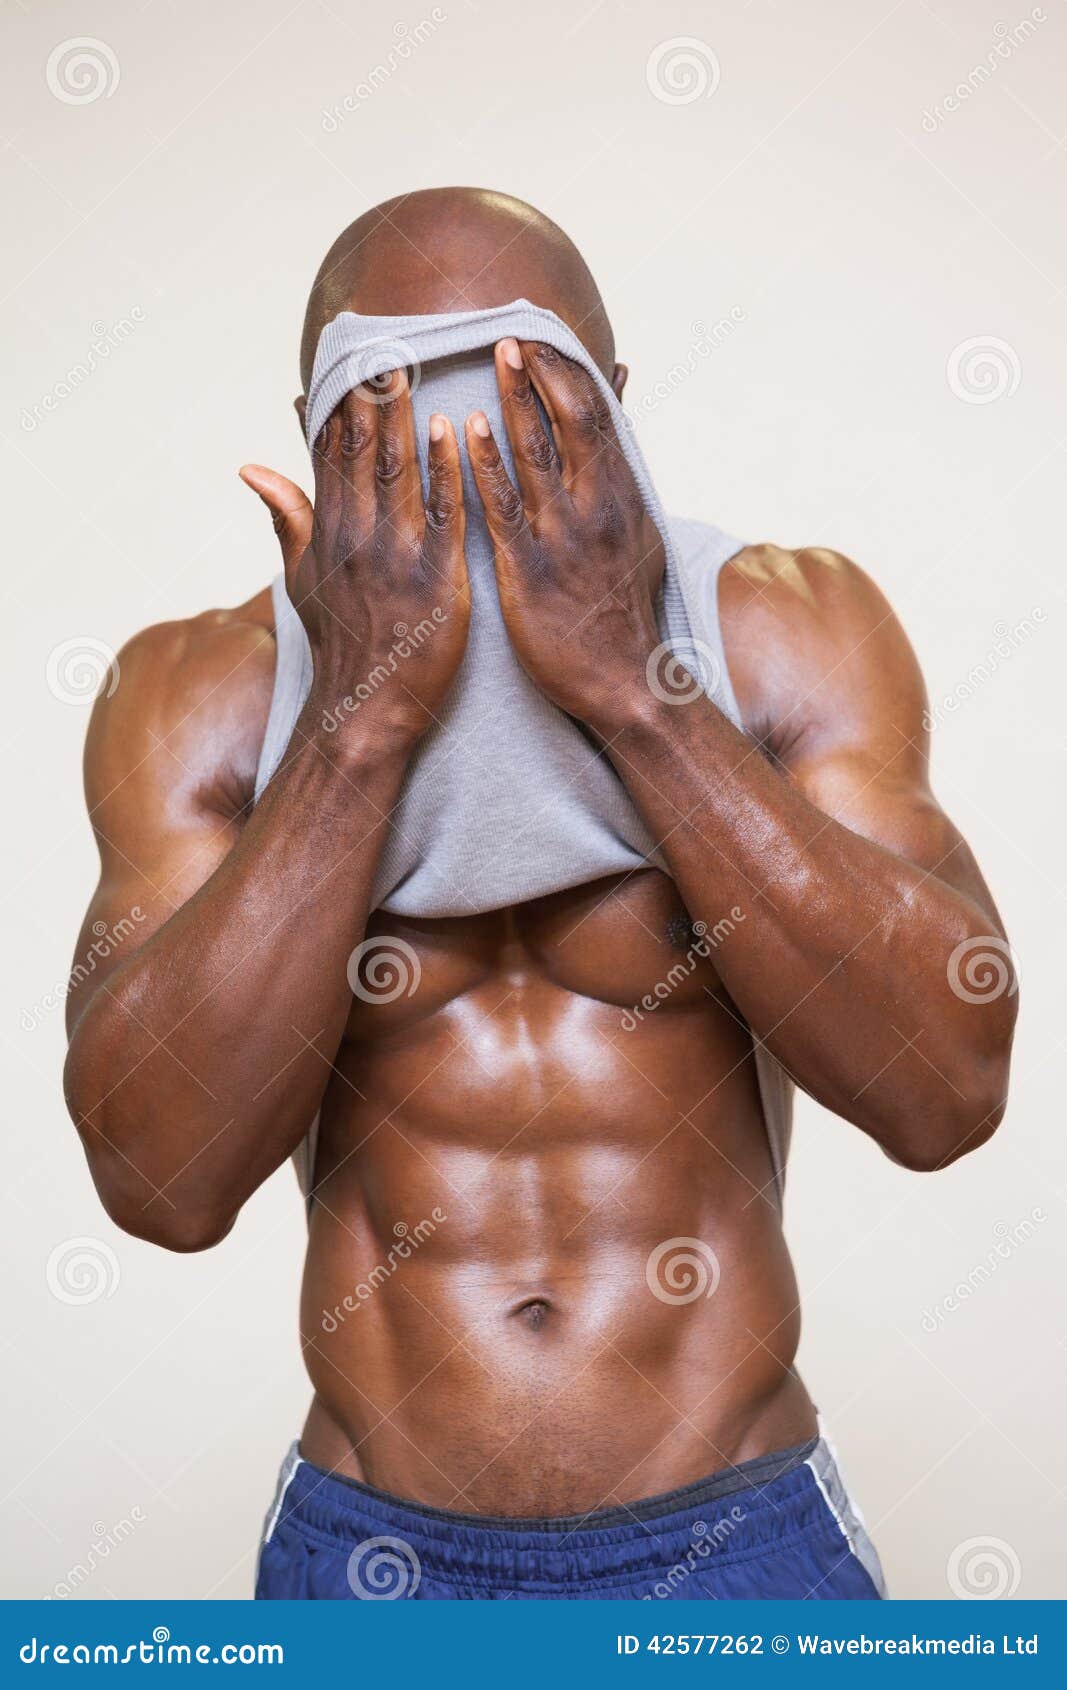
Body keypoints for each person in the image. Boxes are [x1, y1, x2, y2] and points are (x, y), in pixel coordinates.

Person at [63, 188, 1015, 1600]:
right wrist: (354, 724)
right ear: (321, 427)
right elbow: (160, 1179)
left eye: (518, 382)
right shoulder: (202, 691)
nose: (458, 438)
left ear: (615, 399)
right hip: (377, 1548)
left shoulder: (776, 625)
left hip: (731, 1529)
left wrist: (638, 688)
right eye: (391, 397)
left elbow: (947, 1087)